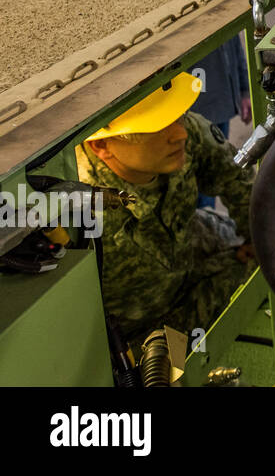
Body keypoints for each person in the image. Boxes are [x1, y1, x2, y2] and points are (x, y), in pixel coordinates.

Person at [77, 73, 255, 348]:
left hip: (191, 260)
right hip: (134, 334)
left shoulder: (189, 133)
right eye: (157, 127)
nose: (179, 133)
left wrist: (257, 240)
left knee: (271, 263)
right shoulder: (76, 208)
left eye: (178, 116)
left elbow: (238, 182)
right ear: (101, 145)